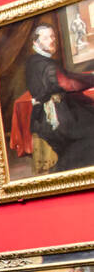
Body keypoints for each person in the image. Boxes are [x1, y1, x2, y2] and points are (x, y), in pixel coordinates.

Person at [27, 23, 94, 173]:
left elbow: (67, 75)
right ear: (35, 42)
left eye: (52, 36)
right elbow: (68, 84)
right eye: (45, 38)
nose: (51, 40)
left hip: (58, 109)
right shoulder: (42, 64)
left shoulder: (40, 60)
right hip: (53, 117)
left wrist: (90, 76)